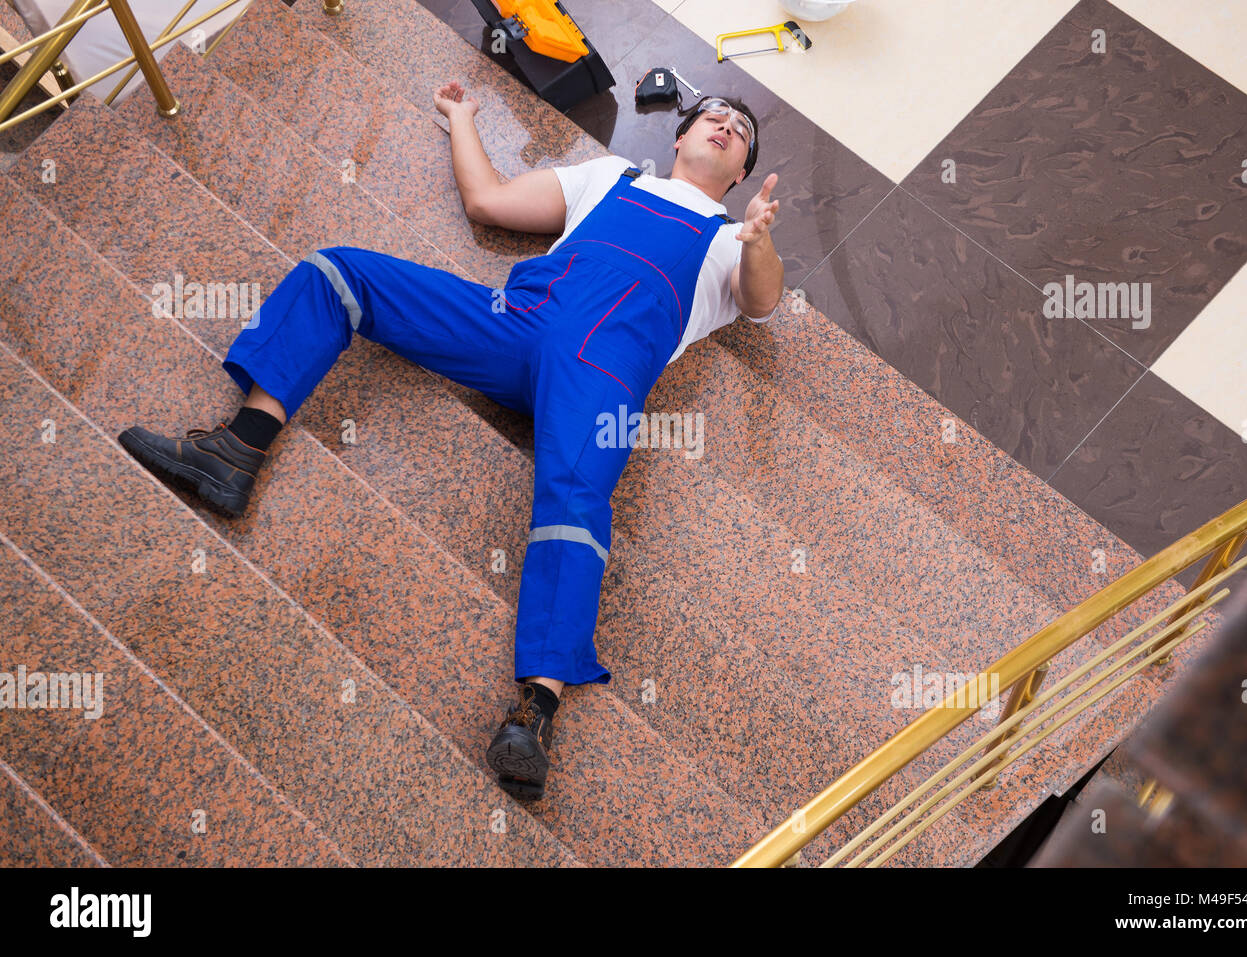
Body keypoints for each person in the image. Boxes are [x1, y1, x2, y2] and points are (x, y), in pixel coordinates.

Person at [118, 82, 784, 801]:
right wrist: (463, 120)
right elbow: (490, 202)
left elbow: (762, 301)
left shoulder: (727, 243)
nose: (724, 125)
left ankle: (535, 710)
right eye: (712, 116)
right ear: (679, 139)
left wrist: (758, 241)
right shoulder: (611, 177)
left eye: (740, 129)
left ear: (741, 173)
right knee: (341, 271)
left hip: (601, 376)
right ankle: (235, 450)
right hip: (515, 322)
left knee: (575, 502)